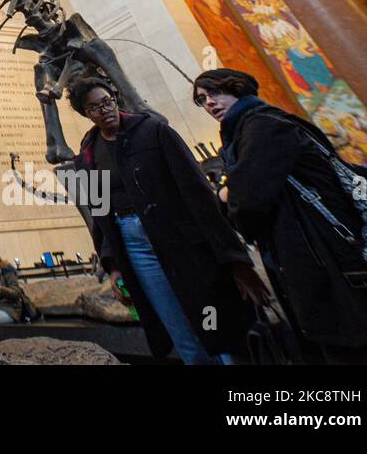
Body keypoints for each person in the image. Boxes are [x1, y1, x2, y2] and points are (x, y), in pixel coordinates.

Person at [194, 68, 367, 363]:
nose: (209, 103)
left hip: (331, 261)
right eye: (202, 99)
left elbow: (247, 203)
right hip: (329, 256)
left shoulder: (261, 126)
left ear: (237, 88)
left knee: (366, 349)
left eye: (214, 92)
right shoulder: (263, 124)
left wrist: (223, 195)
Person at [68, 76, 268, 364]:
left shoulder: (152, 131)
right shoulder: (88, 155)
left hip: (180, 237)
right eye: (95, 108)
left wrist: (235, 258)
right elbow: (100, 215)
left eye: (107, 101)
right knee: (175, 321)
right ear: (85, 113)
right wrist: (112, 265)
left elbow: (199, 194)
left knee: (211, 314)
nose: (105, 110)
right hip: (134, 245)